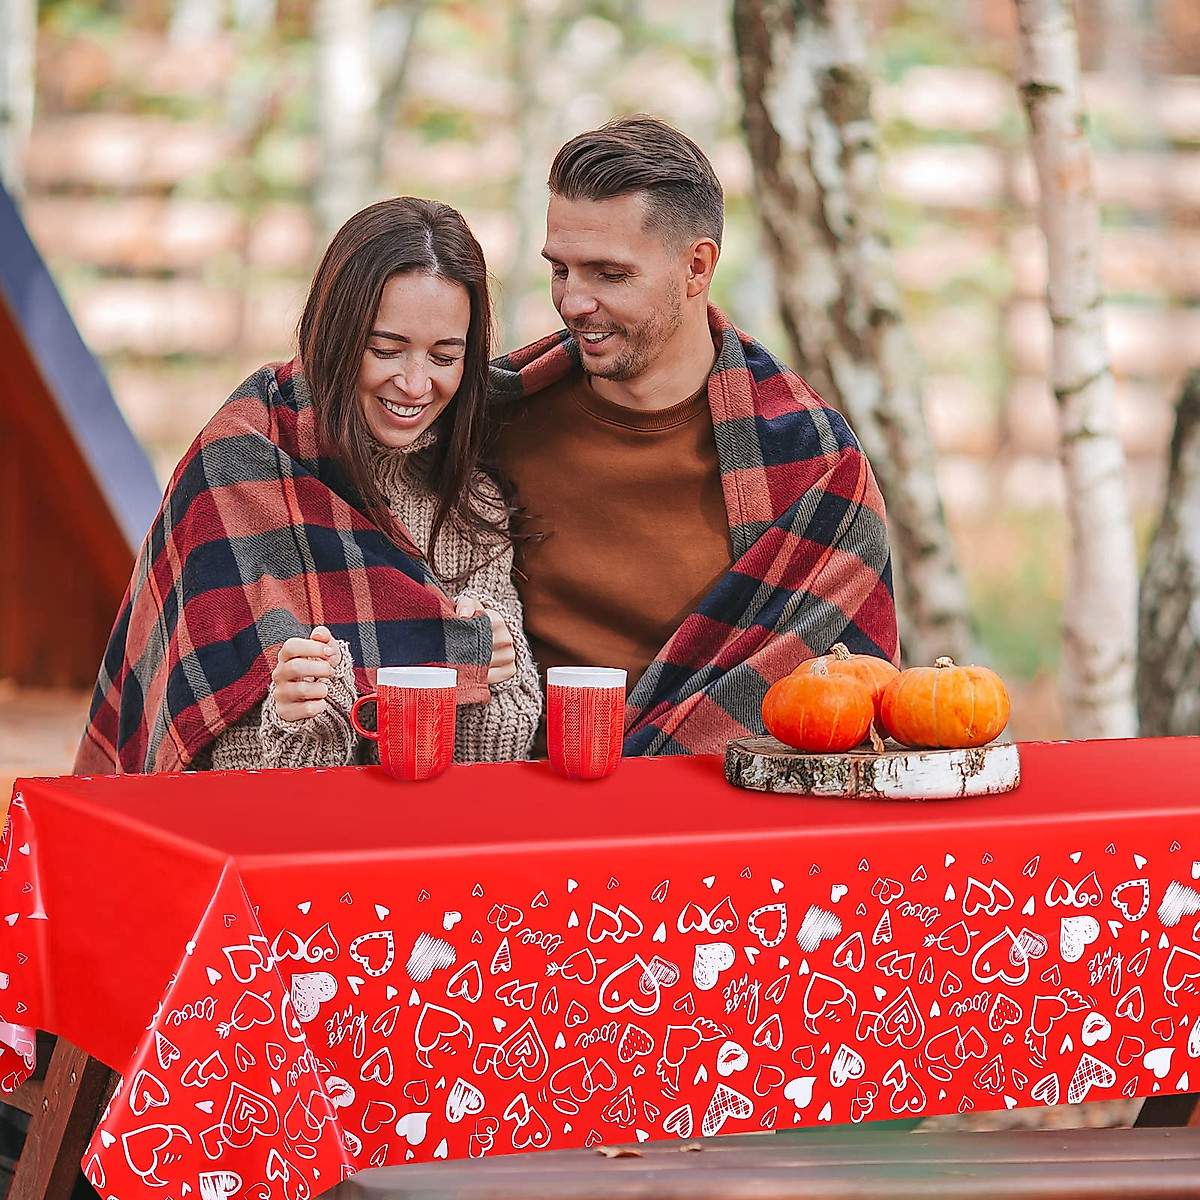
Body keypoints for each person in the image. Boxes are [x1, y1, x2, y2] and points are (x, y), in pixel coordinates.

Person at [75, 197, 540, 774]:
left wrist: (494, 669)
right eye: (386, 350)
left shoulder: (470, 502)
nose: (416, 384)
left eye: (445, 357)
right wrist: (300, 723)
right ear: (335, 333)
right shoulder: (240, 466)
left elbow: (486, 770)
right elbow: (205, 755)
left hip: (424, 840)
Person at [490, 115, 898, 756]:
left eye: (608, 274)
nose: (572, 302)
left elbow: (841, 701)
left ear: (697, 266)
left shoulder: (811, 463)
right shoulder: (488, 419)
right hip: (521, 798)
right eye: (561, 270)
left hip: (719, 812)